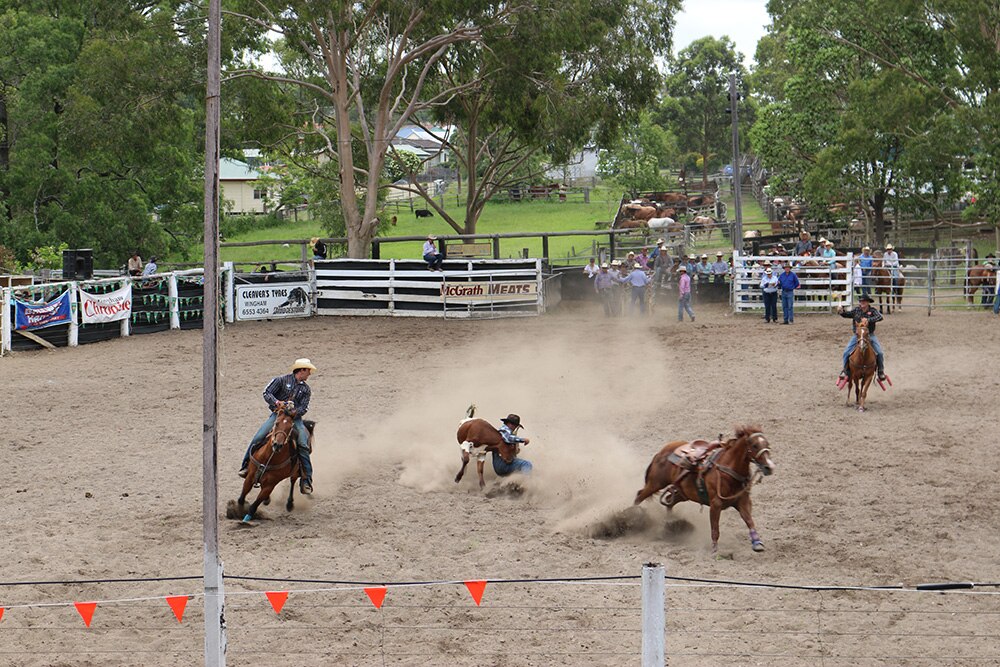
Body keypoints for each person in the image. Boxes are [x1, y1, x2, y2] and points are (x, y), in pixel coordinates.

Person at [239, 358, 317, 494]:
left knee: (303, 444)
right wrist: (276, 402)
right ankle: (246, 466)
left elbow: (304, 407)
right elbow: (267, 392)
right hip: (278, 415)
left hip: (295, 419)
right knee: (259, 437)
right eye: (308, 371)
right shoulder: (281, 380)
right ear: (302, 370)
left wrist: (295, 412)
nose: (309, 374)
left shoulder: (306, 389)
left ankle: (306, 480)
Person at [838, 296, 886, 382]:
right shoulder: (856, 310)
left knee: (879, 353)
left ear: (868, 302)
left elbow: (880, 317)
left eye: (864, 301)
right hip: (858, 335)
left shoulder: (873, 311)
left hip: (869, 335)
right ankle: (845, 370)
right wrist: (841, 312)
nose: (862, 303)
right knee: (846, 352)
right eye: (861, 301)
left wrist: (868, 319)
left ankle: (880, 371)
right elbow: (847, 314)